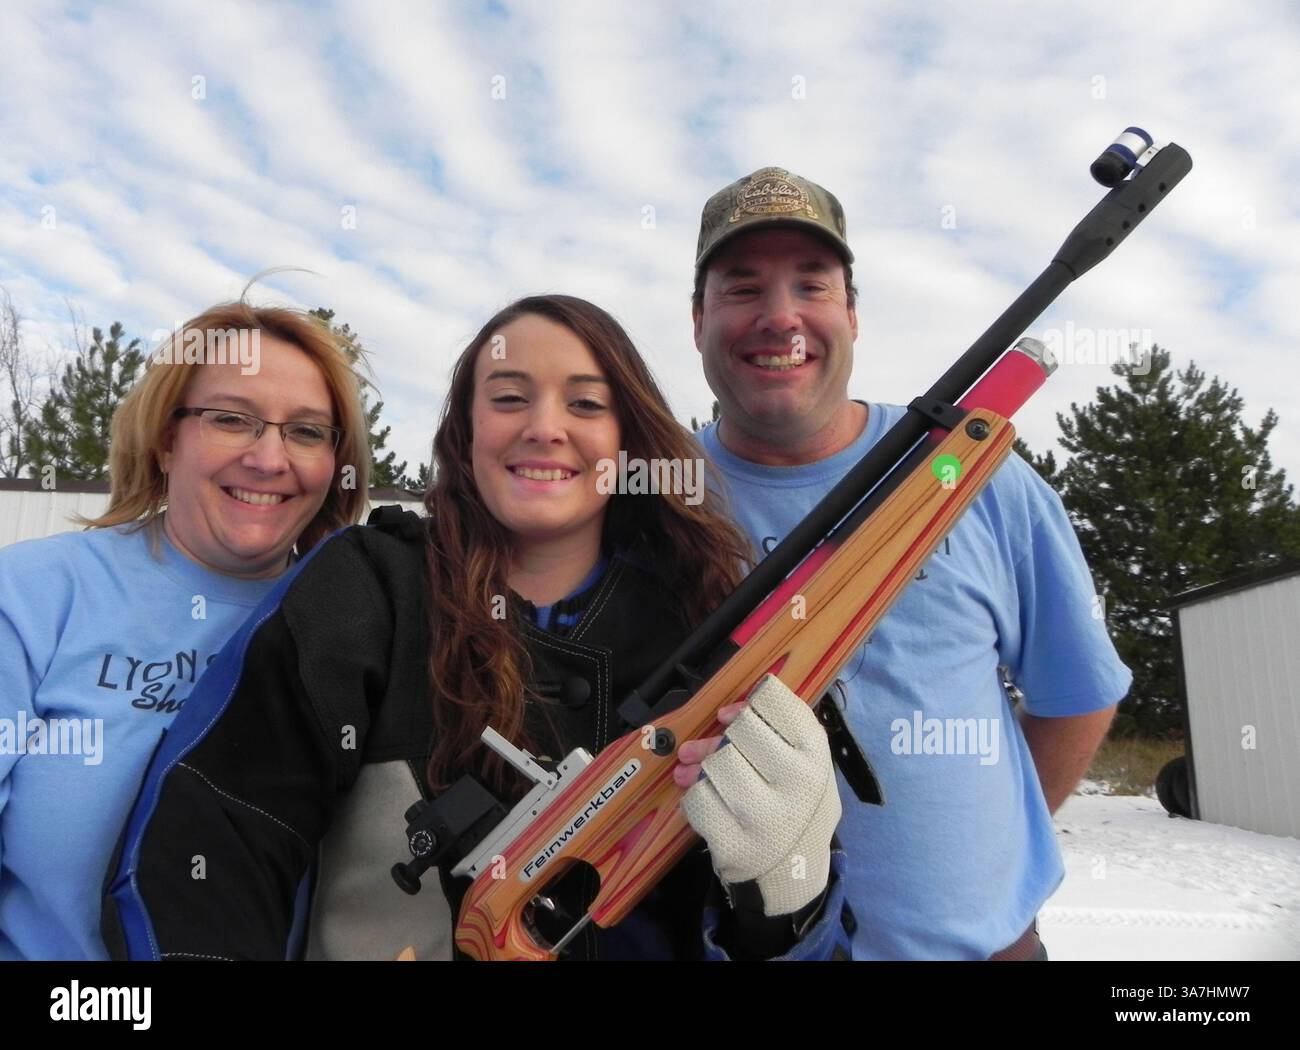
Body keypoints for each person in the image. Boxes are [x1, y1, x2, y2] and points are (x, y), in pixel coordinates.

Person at [104, 294, 852, 961]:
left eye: (586, 404)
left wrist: (790, 899)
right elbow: (210, 844)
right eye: (508, 397)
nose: (545, 428)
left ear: (629, 440)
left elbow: (791, 937)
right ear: (464, 431)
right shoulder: (368, 588)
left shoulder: (710, 631)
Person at [689, 166, 1133, 960]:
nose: (779, 316)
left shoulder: (982, 479)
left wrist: (979, 865)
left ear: (853, 313)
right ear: (698, 320)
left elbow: (1077, 694)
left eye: (812, 285)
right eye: (743, 287)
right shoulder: (653, 502)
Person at [0, 301, 370, 960]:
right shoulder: (31, 597)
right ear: (166, 437)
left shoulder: (359, 628)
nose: (269, 458)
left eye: (308, 432)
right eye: (231, 419)